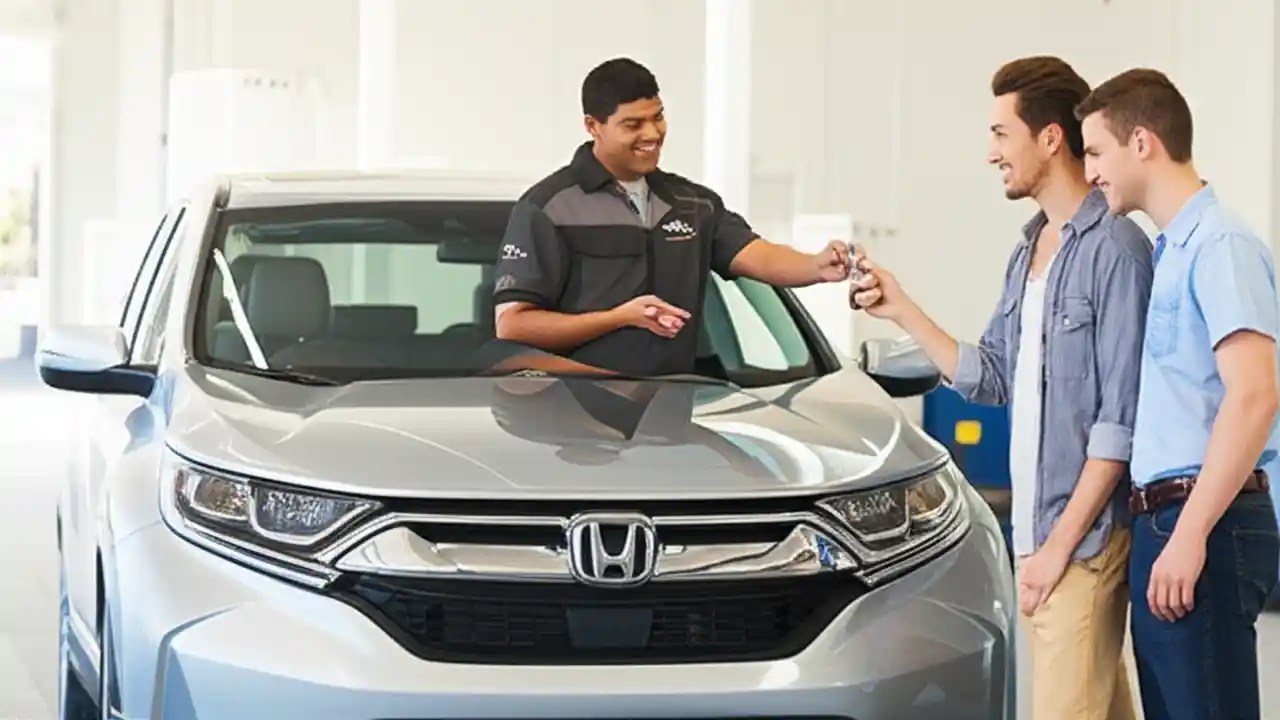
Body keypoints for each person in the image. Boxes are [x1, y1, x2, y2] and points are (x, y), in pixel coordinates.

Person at [850, 56, 1151, 719]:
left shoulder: (1117, 250)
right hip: (1041, 538)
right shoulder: (1028, 251)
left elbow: (1119, 425)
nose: (991, 153)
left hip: (1083, 544)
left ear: (1050, 138)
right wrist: (902, 308)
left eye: (1000, 134)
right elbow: (990, 374)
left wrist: (1056, 551)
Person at [1075, 68, 1280, 720]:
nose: (1090, 172)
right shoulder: (1171, 254)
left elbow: (1255, 395)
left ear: (1142, 142)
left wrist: (1190, 535)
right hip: (1166, 520)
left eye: (1096, 152)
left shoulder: (1220, 245)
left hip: (1204, 522)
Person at [491, 57, 851, 376]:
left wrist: (816, 266)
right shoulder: (548, 207)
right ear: (593, 126)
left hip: (676, 412)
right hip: (574, 420)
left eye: (658, 117)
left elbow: (759, 255)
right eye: (633, 124)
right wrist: (621, 317)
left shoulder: (692, 203)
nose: (652, 134)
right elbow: (514, 325)